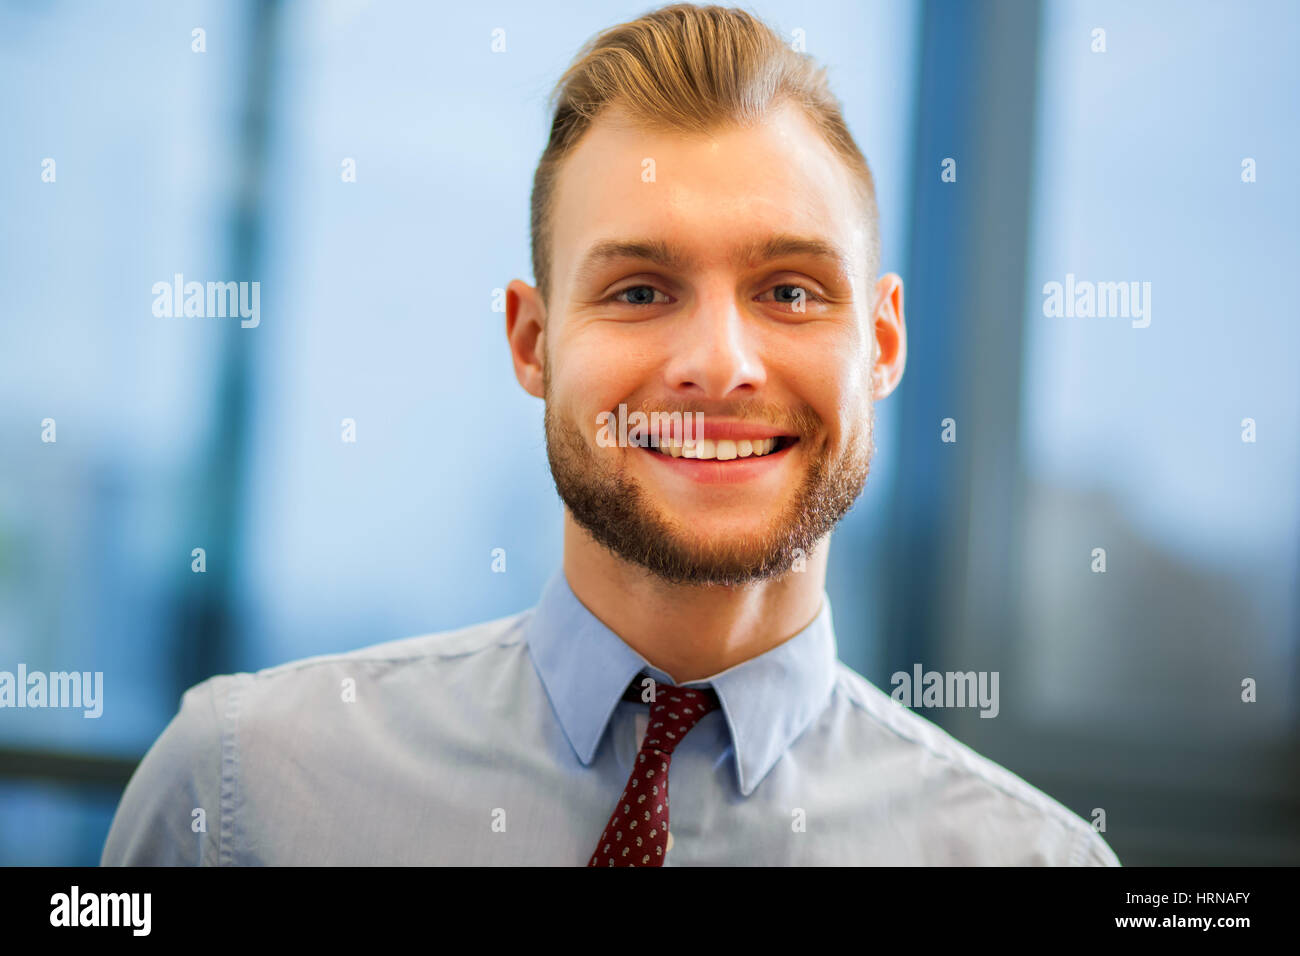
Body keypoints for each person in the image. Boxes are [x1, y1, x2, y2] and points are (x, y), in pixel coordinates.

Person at [103, 2, 1119, 866]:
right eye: (639, 289)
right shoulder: (238, 794)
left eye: (790, 290)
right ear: (533, 341)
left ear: (882, 343)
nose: (719, 363)